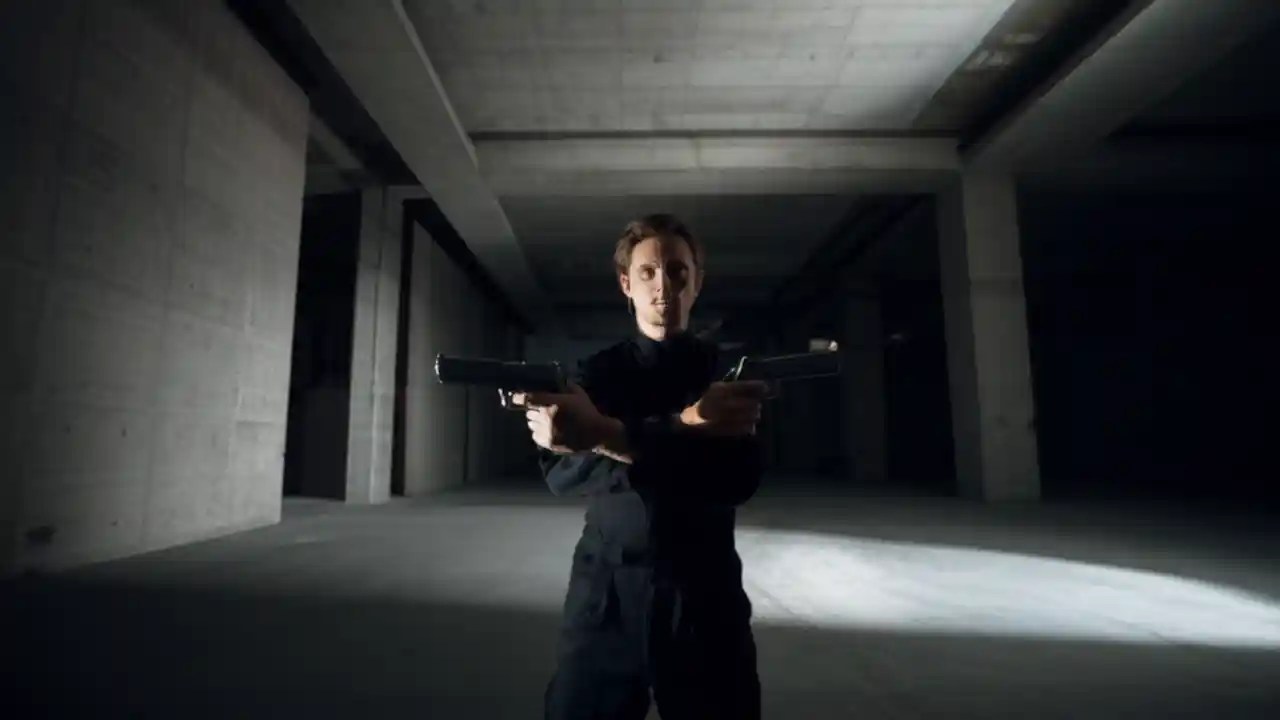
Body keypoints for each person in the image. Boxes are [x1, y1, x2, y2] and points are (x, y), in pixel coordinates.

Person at [517, 214, 769, 719]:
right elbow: (560, 474)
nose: (663, 287)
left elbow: (737, 477)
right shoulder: (597, 374)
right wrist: (684, 435)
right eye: (648, 272)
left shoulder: (727, 377)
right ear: (626, 284)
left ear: (696, 282)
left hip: (705, 591)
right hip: (606, 591)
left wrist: (604, 437)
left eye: (677, 272)